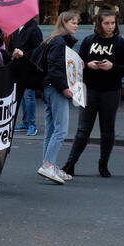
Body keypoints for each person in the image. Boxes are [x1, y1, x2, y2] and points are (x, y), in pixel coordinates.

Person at [62, 8, 124, 178]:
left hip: (111, 91)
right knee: (83, 130)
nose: (110, 27)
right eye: (106, 23)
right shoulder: (88, 40)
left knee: (107, 130)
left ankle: (103, 164)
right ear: (99, 24)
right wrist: (88, 64)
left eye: (113, 23)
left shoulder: (120, 43)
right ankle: (70, 164)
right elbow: (78, 64)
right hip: (90, 90)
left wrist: (112, 66)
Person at [33, 11, 80, 184]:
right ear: (65, 23)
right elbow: (55, 68)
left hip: (48, 88)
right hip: (56, 88)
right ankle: (47, 165)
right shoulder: (60, 42)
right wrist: (65, 88)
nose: (76, 25)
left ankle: (49, 164)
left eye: (77, 22)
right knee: (61, 130)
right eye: (73, 22)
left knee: (52, 129)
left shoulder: (54, 40)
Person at [7, 15, 43, 136]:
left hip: (29, 67)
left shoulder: (34, 29)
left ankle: (32, 124)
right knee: (22, 96)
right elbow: (12, 46)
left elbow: (38, 50)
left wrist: (23, 54)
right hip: (18, 67)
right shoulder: (16, 29)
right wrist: (13, 53)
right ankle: (25, 122)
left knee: (29, 96)